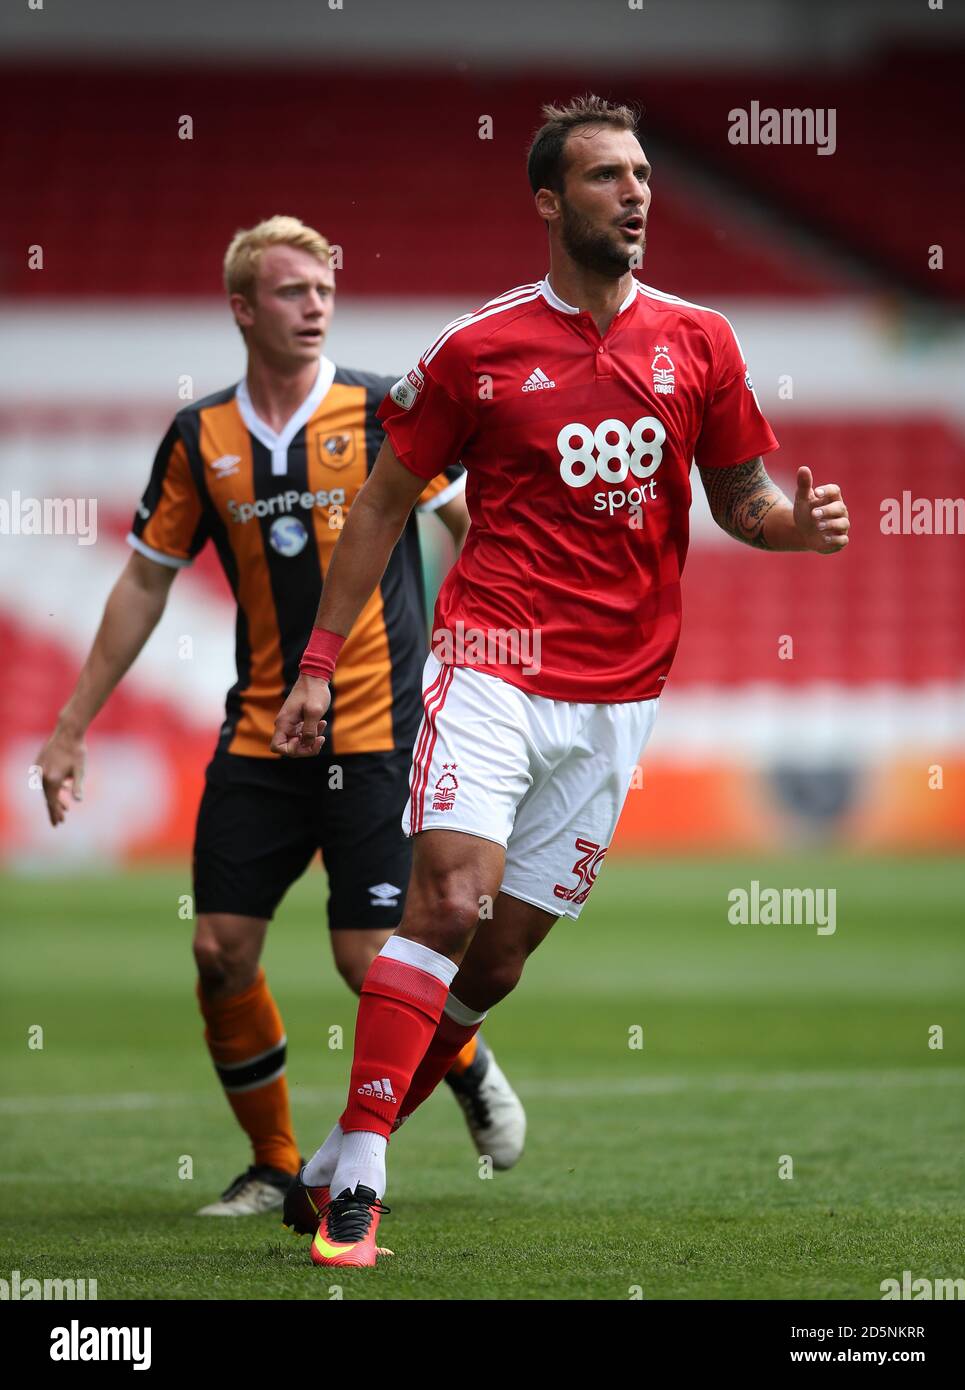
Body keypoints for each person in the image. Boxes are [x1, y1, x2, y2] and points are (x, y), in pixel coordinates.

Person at [272, 96, 852, 1268]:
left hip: (620, 699)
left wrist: (795, 528)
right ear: (549, 202)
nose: (636, 193)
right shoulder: (475, 352)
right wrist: (320, 667)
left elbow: (741, 499)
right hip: (491, 662)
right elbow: (384, 504)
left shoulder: (702, 341)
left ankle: (348, 1136)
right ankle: (362, 1192)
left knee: (494, 960)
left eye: (642, 173)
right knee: (443, 902)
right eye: (606, 177)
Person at [36, 215, 526, 1220]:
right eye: (293, 290)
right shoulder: (199, 438)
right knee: (218, 948)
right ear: (243, 309)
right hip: (260, 731)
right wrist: (73, 721)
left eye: (325, 290)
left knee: (366, 960)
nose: (315, 306)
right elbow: (143, 581)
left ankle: (466, 1059)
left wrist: (493, 654)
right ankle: (272, 1162)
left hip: (379, 730)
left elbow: (468, 526)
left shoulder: (388, 409)